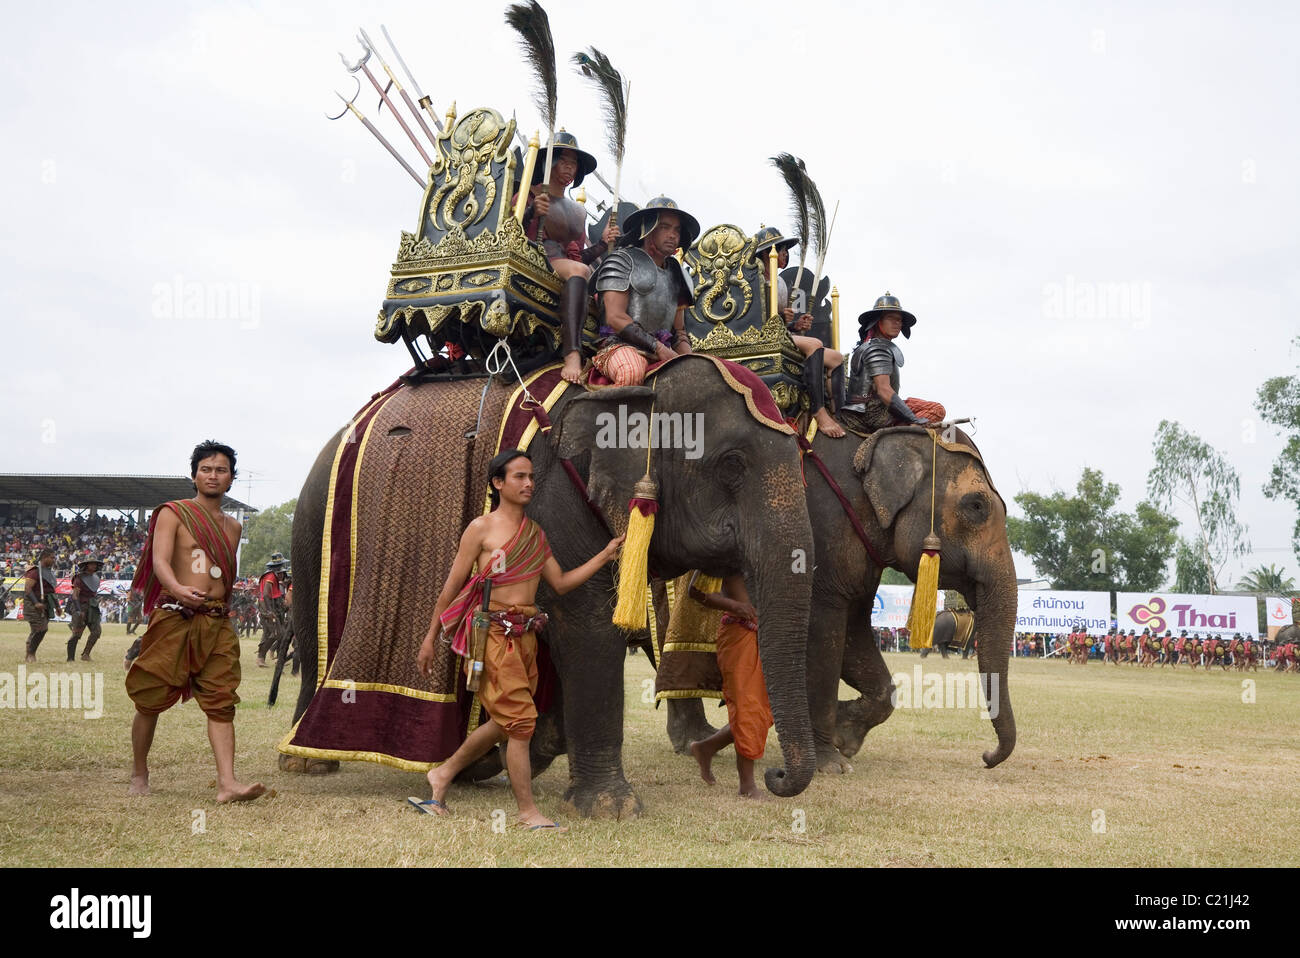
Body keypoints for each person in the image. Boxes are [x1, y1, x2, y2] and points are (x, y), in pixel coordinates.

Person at [412, 449, 624, 828]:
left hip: (526, 637)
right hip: (493, 635)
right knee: (522, 725)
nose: (528, 484)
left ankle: (441, 775)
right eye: (519, 477)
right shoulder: (481, 529)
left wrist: (605, 556)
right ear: (498, 483)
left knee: (506, 720)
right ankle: (528, 813)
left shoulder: (534, 533)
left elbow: (559, 583)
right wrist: (430, 637)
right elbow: (452, 586)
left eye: (531, 477)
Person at [125, 440, 266, 803]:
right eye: (206, 469)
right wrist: (177, 589)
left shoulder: (233, 527)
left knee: (222, 700)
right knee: (150, 698)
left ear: (231, 479)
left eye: (221, 470)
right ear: (194, 476)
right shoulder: (174, 513)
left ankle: (227, 783)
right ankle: (140, 771)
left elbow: (223, 576)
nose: (213, 475)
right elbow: (160, 563)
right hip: (175, 614)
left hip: (217, 622)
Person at [519, 131, 620, 384]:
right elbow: (509, 231)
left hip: (566, 267)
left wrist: (601, 244)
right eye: (563, 160)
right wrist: (531, 212)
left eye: (574, 163)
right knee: (578, 272)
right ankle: (571, 352)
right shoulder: (530, 194)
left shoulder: (577, 210)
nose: (569, 168)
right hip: (534, 260)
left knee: (604, 285)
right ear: (548, 163)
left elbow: (578, 258)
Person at [590, 196, 698, 386]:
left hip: (662, 351)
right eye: (665, 227)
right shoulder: (622, 260)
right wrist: (659, 348)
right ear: (648, 228)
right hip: (619, 345)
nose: (673, 235)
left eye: (677, 229)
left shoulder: (676, 273)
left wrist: (691, 362)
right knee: (631, 372)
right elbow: (616, 318)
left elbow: (679, 331)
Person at [685, 572, 773, 799]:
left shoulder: (769, 547)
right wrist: (736, 606)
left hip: (766, 636)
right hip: (738, 632)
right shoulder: (724, 545)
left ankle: (706, 748)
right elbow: (694, 590)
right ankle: (747, 786)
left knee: (764, 710)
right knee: (748, 707)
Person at [753, 226, 846, 437]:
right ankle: (818, 411)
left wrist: (795, 325)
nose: (786, 254)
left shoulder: (781, 284)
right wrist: (779, 320)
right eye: (782, 249)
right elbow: (754, 319)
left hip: (780, 337)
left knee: (836, 358)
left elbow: (780, 324)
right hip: (758, 338)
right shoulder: (754, 280)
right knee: (814, 344)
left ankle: (839, 413)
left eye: (786, 250)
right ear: (768, 253)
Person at [842, 292, 946, 432]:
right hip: (875, 414)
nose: (898, 323)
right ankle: (903, 435)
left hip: (874, 409)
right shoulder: (878, 349)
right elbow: (884, 390)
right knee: (936, 409)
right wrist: (914, 419)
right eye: (891, 318)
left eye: (899, 319)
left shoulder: (873, 345)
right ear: (878, 321)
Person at [21, 549, 61, 662]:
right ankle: (31, 654)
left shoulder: (49, 573)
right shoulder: (34, 572)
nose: (54, 560)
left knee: (38, 630)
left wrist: (57, 606)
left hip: (46, 604)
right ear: (44, 557)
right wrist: (36, 603)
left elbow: (52, 591)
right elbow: (28, 589)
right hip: (33, 604)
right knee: (41, 628)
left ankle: (29, 654)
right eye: (52, 557)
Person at [65, 557, 104, 661]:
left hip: (92, 607)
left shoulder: (96, 578)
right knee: (77, 633)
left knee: (96, 631)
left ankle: (86, 654)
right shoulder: (79, 578)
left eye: (95, 564)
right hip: (80, 606)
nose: (94, 566)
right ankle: (70, 658)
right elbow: (75, 596)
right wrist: (78, 610)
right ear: (86, 565)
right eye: (91, 564)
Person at [256, 553, 289, 668]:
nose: (282, 575)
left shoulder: (272, 576)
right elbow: (265, 594)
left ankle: (263, 659)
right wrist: (270, 611)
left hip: (270, 606)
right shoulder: (270, 576)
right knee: (277, 633)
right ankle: (262, 656)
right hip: (267, 607)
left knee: (269, 633)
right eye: (281, 570)